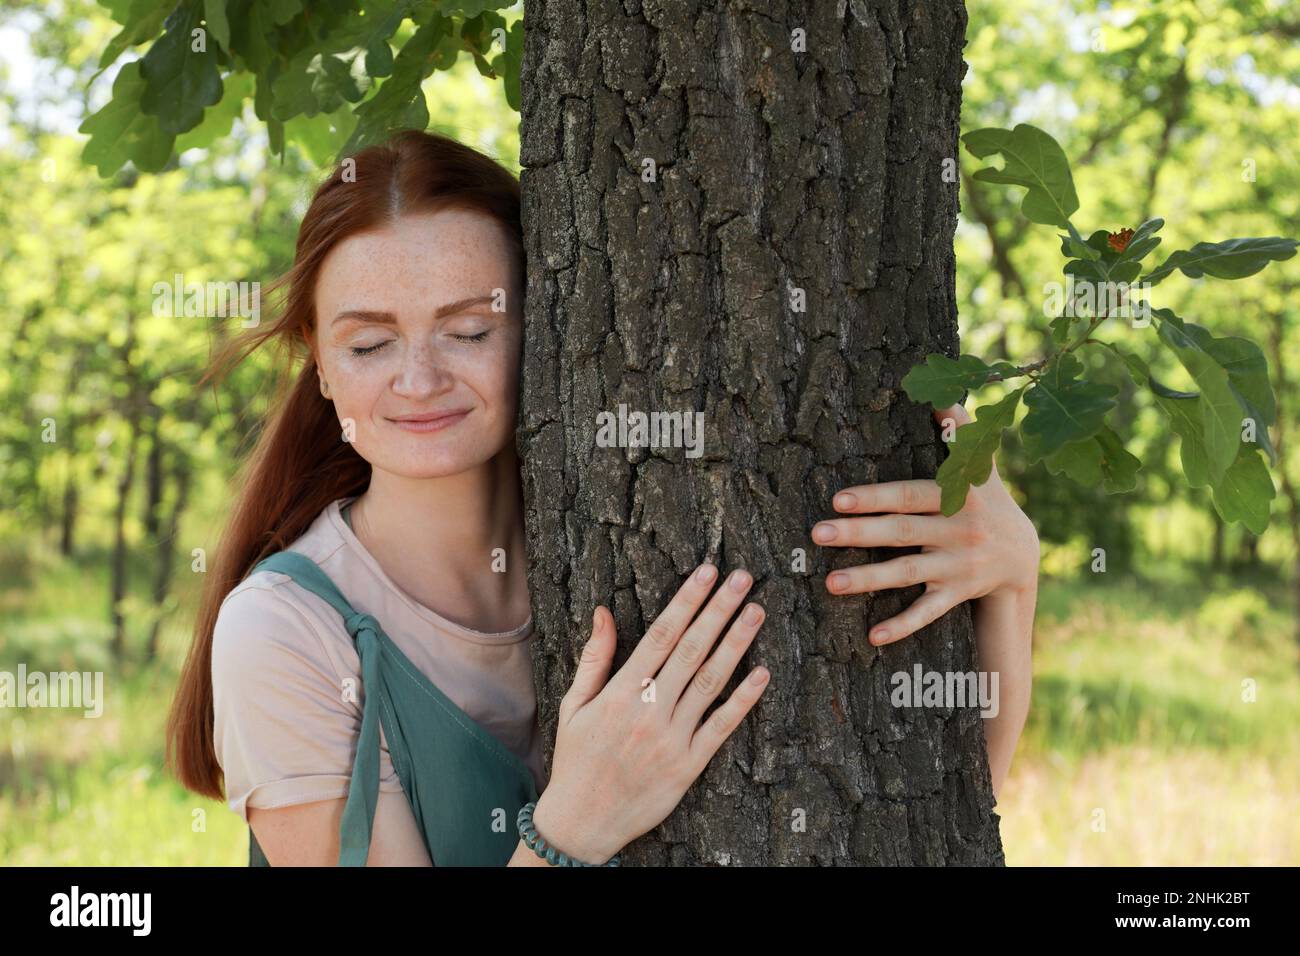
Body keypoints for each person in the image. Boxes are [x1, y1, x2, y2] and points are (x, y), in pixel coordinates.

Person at [164, 129, 1040, 866]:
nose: (419, 379)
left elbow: (921, 820)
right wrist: (571, 827)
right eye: (367, 346)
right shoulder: (285, 631)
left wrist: (1012, 585)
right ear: (317, 360)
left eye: (470, 330)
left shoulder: (634, 524)